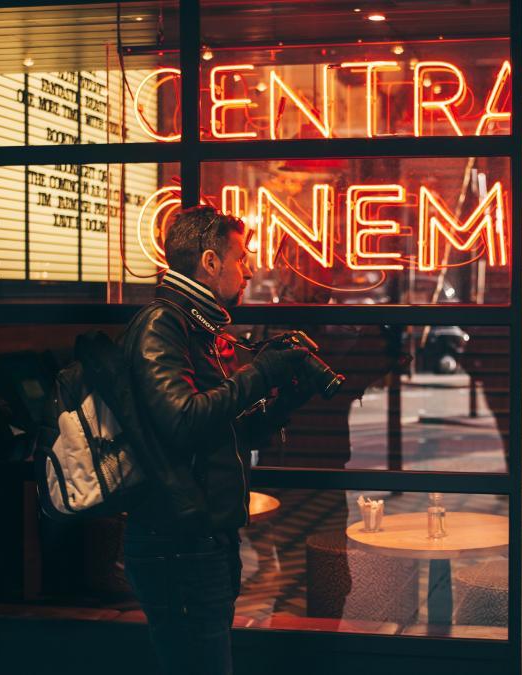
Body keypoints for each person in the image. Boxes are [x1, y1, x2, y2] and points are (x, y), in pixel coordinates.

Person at [120, 205, 313, 675]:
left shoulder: (198, 327)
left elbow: (221, 430)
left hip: (203, 537)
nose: (248, 271)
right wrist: (261, 371)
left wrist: (284, 400)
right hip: (176, 544)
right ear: (210, 262)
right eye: (241, 258)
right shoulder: (162, 324)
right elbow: (183, 419)